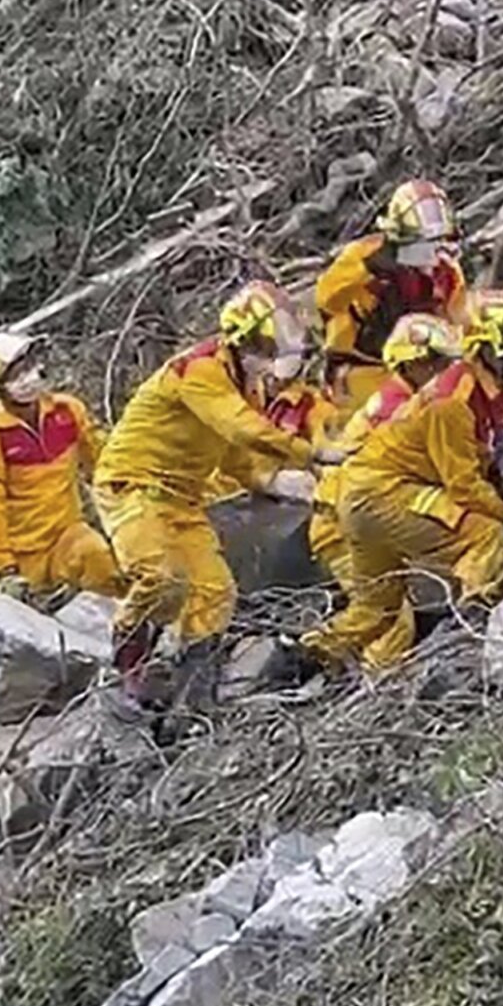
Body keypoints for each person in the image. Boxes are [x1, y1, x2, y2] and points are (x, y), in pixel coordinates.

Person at [93, 280, 323, 711]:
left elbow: (234, 454)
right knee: (162, 578)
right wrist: (311, 453)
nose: (269, 357)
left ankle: (192, 695)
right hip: (133, 486)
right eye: (262, 347)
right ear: (241, 342)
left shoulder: (247, 384)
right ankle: (126, 665)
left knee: (215, 592)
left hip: (182, 497)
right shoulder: (199, 370)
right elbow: (240, 427)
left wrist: (271, 481)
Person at [320, 292, 503, 669]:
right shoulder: (453, 402)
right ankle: (472, 629)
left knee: (379, 606)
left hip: (362, 498)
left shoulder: (480, 389)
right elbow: (464, 486)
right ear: (488, 346)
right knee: (483, 534)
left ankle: (304, 654)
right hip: (384, 494)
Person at [293, 312, 466, 674]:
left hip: (362, 517)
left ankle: (323, 658)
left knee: (383, 610)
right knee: (389, 618)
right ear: (411, 365)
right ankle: (371, 690)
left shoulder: (410, 401)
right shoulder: (397, 411)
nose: (445, 370)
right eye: (435, 362)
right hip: (340, 525)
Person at [0, 331, 123, 603]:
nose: (27, 380)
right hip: (24, 560)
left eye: (29, 368)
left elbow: (104, 461)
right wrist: (4, 570)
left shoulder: (68, 411)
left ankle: (134, 635)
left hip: (68, 539)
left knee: (97, 558)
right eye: (14, 376)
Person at [313, 179, 469, 414]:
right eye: (425, 243)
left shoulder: (447, 273)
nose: (434, 251)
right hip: (363, 369)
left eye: (439, 241)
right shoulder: (364, 256)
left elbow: (460, 323)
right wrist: (368, 270)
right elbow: (326, 299)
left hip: (421, 369)